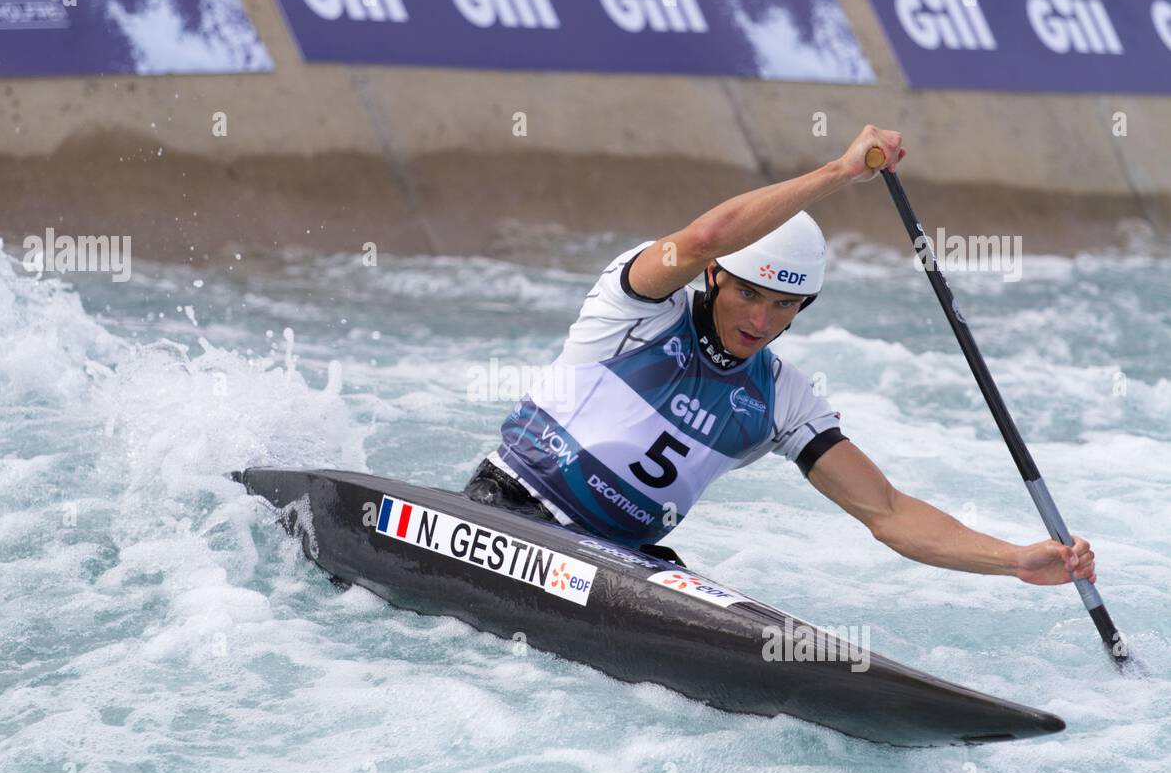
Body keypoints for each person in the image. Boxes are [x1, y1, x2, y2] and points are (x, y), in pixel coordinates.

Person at [464, 125, 1096, 587]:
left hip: (618, 568)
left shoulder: (783, 399)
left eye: (784, 306)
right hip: (512, 509)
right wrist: (841, 174)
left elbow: (890, 511)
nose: (760, 320)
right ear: (714, 277)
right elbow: (704, 237)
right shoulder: (637, 308)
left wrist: (1013, 558)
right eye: (747, 293)